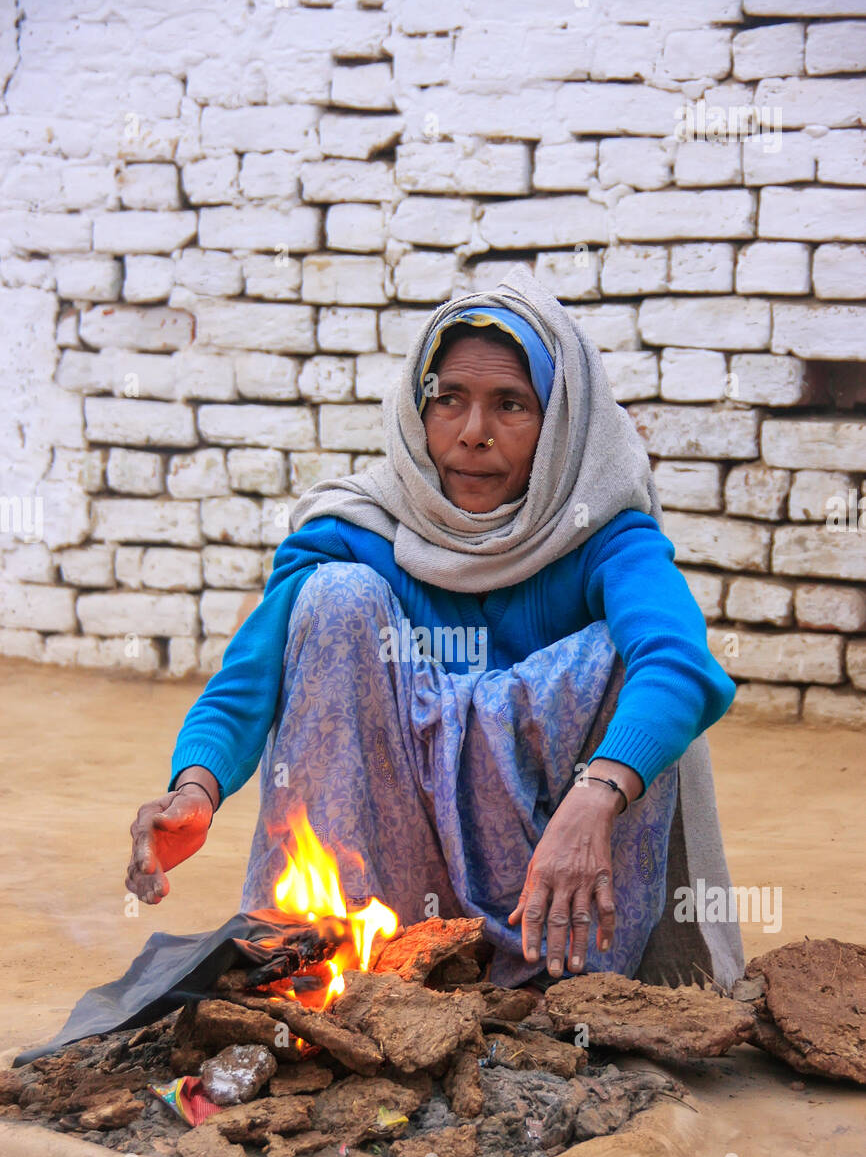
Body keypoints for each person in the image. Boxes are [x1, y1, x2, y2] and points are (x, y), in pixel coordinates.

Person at [125, 265, 743, 992]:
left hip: (549, 887)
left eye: (510, 405)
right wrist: (195, 789)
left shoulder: (602, 534)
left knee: (624, 654)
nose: (473, 434)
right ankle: (335, 953)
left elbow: (682, 662)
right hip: (386, 884)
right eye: (449, 400)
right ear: (418, 412)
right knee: (335, 598)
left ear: (561, 424)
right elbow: (248, 681)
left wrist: (596, 795)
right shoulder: (357, 527)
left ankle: (548, 985)